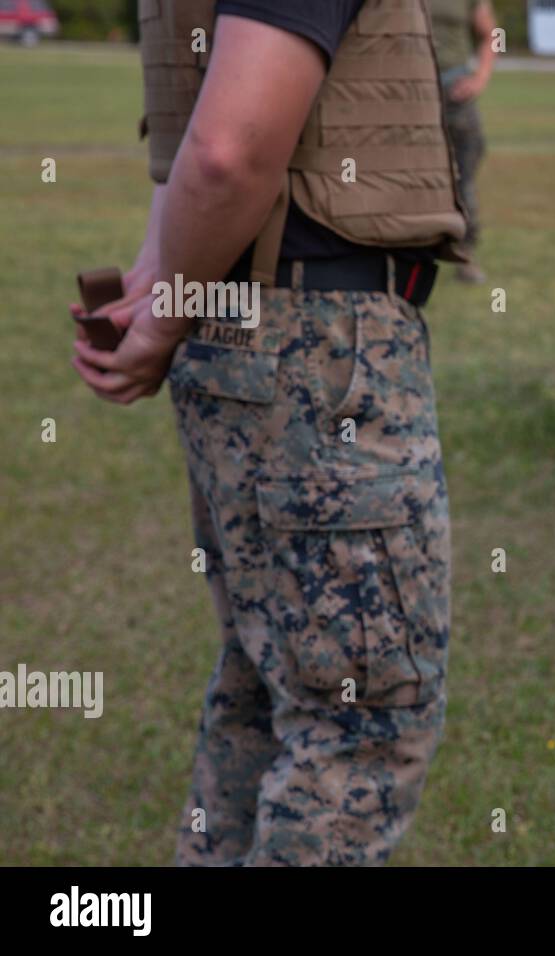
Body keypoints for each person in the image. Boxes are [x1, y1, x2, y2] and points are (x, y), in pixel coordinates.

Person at [71, 0, 466, 865]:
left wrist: (155, 291)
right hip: (317, 344)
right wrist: (163, 306)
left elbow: (197, 137)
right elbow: (223, 152)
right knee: (357, 717)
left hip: (254, 328)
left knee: (266, 681)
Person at [428, 0, 499, 283]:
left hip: (453, 91)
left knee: (464, 177)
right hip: (410, 94)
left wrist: (480, 78)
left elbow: (492, 34)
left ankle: (465, 254)